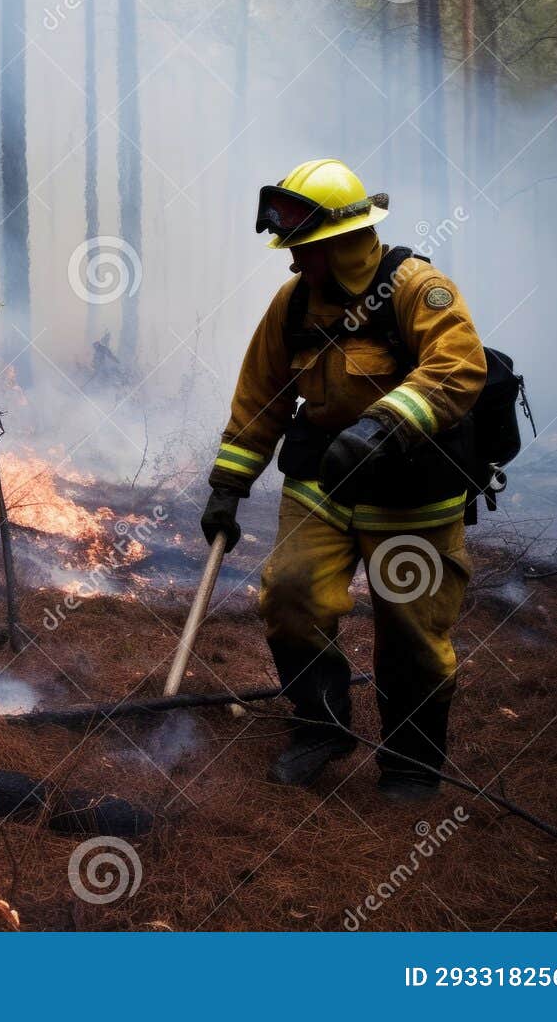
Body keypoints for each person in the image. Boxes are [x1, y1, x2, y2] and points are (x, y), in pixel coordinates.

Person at [201, 158, 486, 802]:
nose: (292, 260)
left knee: (412, 632)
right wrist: (227, 486)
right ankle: (321, 727)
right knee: (291, 594)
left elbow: (458, 368)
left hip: (413, 495)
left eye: (302, 248)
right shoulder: (294, 303)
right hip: (323, 485)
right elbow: (261, 395)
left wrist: (381, 428)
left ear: (340, 241)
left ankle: (411, 763)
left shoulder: (417, 288)